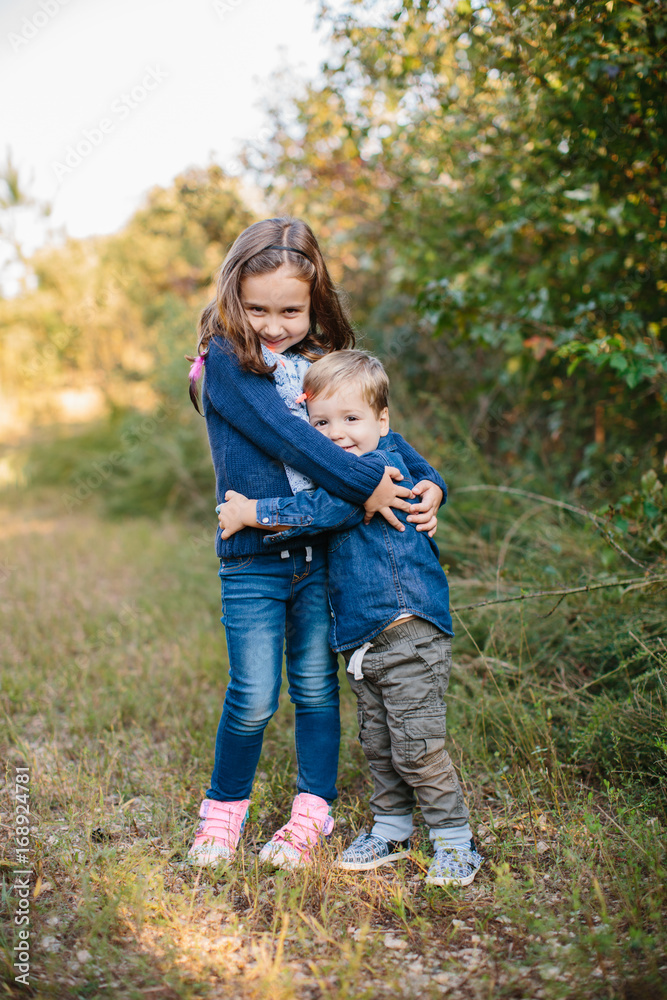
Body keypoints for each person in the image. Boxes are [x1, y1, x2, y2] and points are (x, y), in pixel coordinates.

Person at [186, 217, 447, 869]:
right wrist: (369, 487)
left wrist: (429, 484)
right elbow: (289, 439)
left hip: (318, 562)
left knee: (313, 689)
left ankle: (312, 812)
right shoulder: (224, 360)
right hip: (253, 563)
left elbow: (385, 440)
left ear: (313, 304)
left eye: (290, 310)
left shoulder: (314, 368)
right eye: (257, 308)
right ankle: (222, 817)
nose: (273, 324)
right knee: (251, 694)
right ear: (231, 299)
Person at [217, 350, 483, 886]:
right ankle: (390, 828)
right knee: (380, 743)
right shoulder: (366, 458)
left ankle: (456, 841)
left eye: (351, 419)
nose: (336, 435)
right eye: (321, 424)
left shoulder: (369, 469)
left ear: (382, 422)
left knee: (417, 744)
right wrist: (436, 485)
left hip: (406, 625)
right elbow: (422, 472)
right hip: (364, 637)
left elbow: (325, 510)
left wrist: (252, 514)